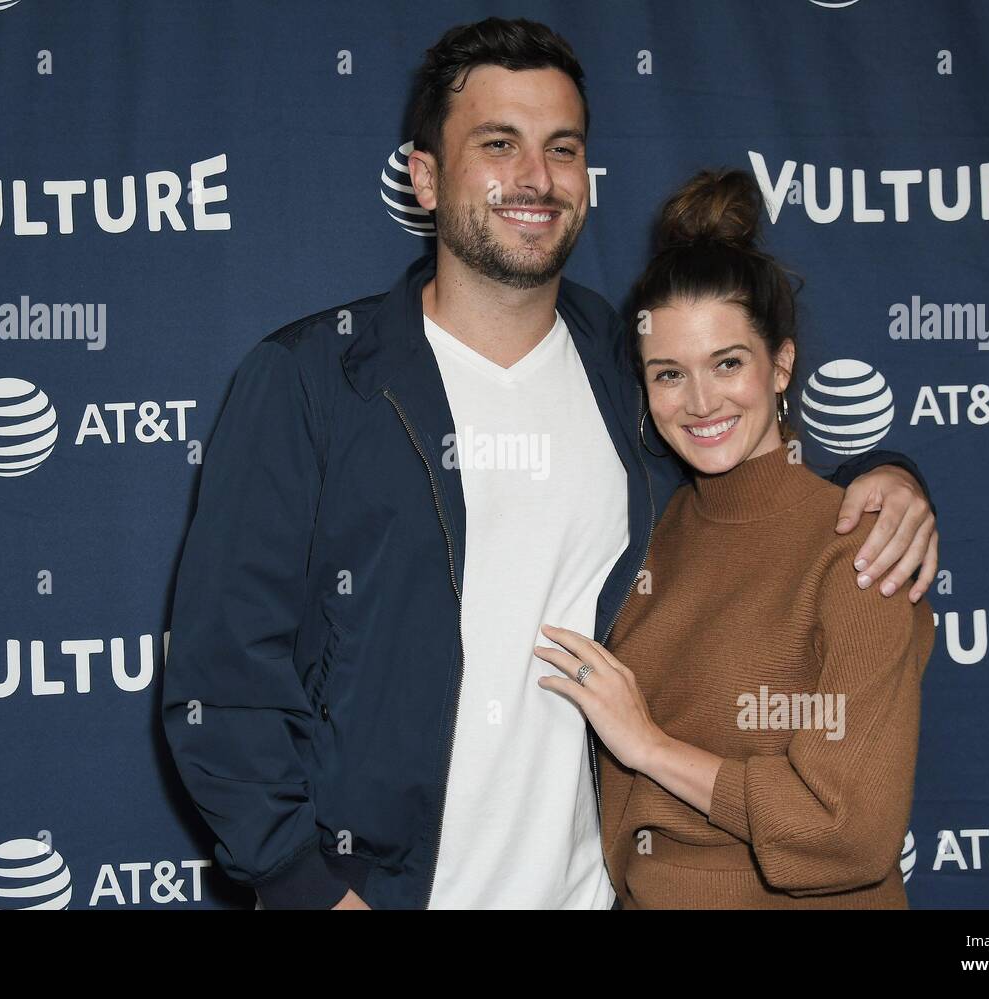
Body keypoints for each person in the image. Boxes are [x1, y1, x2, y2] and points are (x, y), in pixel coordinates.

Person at [160, 17, 938, 911]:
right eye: (500, 144)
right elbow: (223, 677)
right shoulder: (312, 381)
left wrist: (886, 474)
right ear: (424, 176)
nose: (535, 178)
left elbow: (746, 471)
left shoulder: (629, 365)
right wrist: (306, 884)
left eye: (561, 149)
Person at [536, 167, 937, 908]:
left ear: (781, 364)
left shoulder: (859, 544)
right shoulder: (640, 535)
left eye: (728, 363)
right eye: (668, 373)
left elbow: (846, 828)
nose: (700, 401)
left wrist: (650, 745)